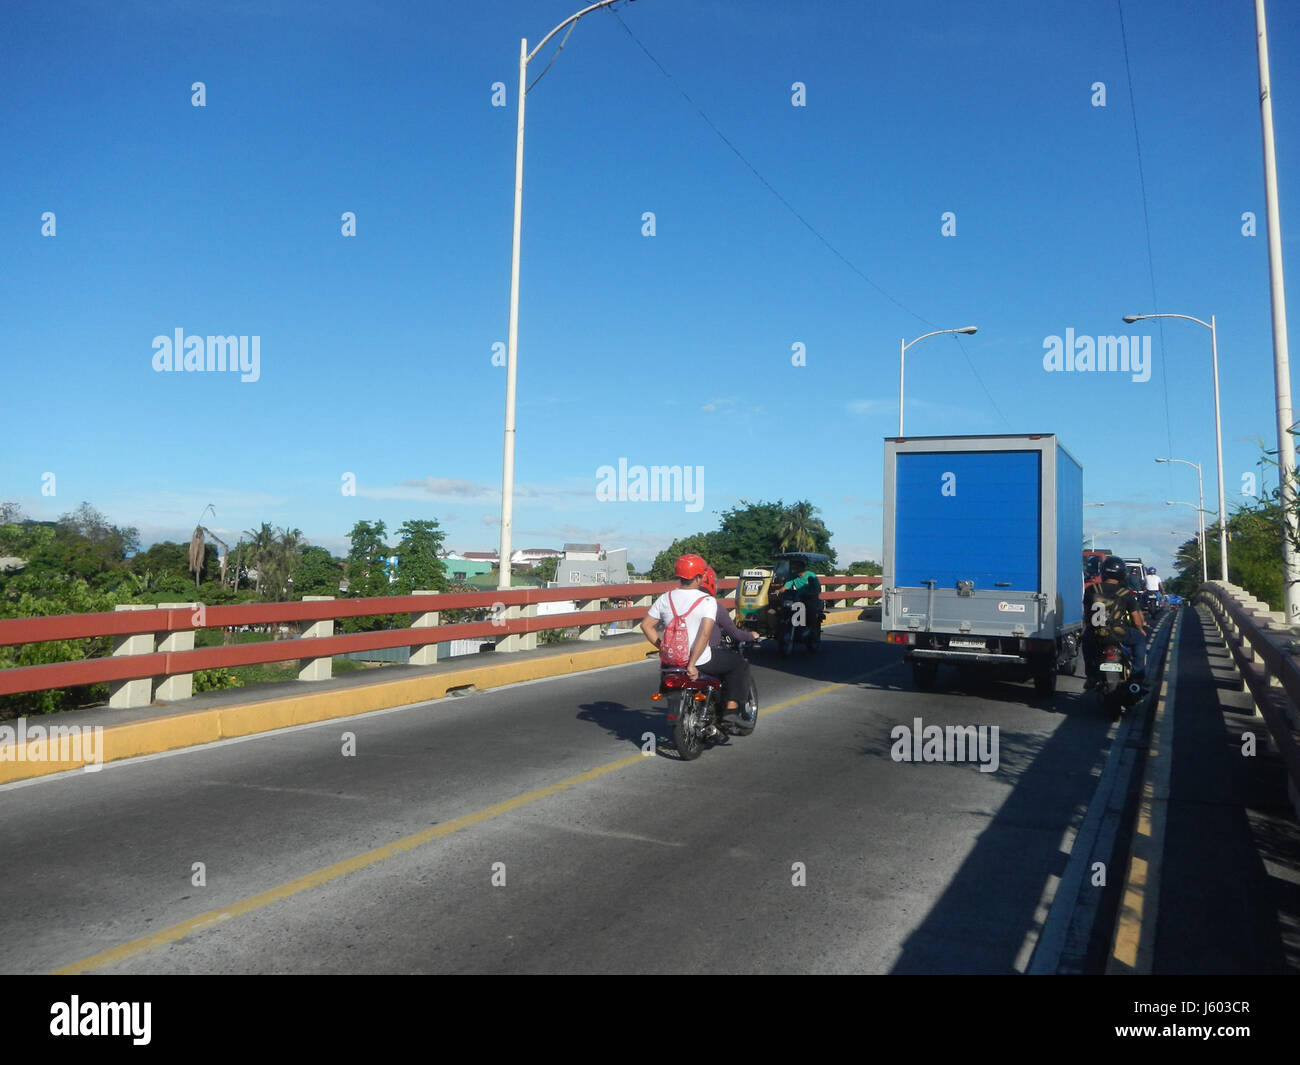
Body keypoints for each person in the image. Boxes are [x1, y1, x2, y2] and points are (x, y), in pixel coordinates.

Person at [701, 567, 760, 725]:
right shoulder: (713, 605)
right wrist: (750, 635)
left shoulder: (678, 602)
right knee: (739, 664)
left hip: (678, 657)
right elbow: (735, 633)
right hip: (704, 655)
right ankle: (731, 710)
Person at [1083, 555, 1149, 687]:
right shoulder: (1125, 593)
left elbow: (1087, 614)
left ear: (1103, 571)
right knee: (1140, 639)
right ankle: (1138, 674)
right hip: (1118, 633)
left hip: (1096, 634)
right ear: (1122, 574)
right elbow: (1136, 620)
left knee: (1086, 643)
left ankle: (1090, 675)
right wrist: (1141, 630)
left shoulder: (1091, 590)